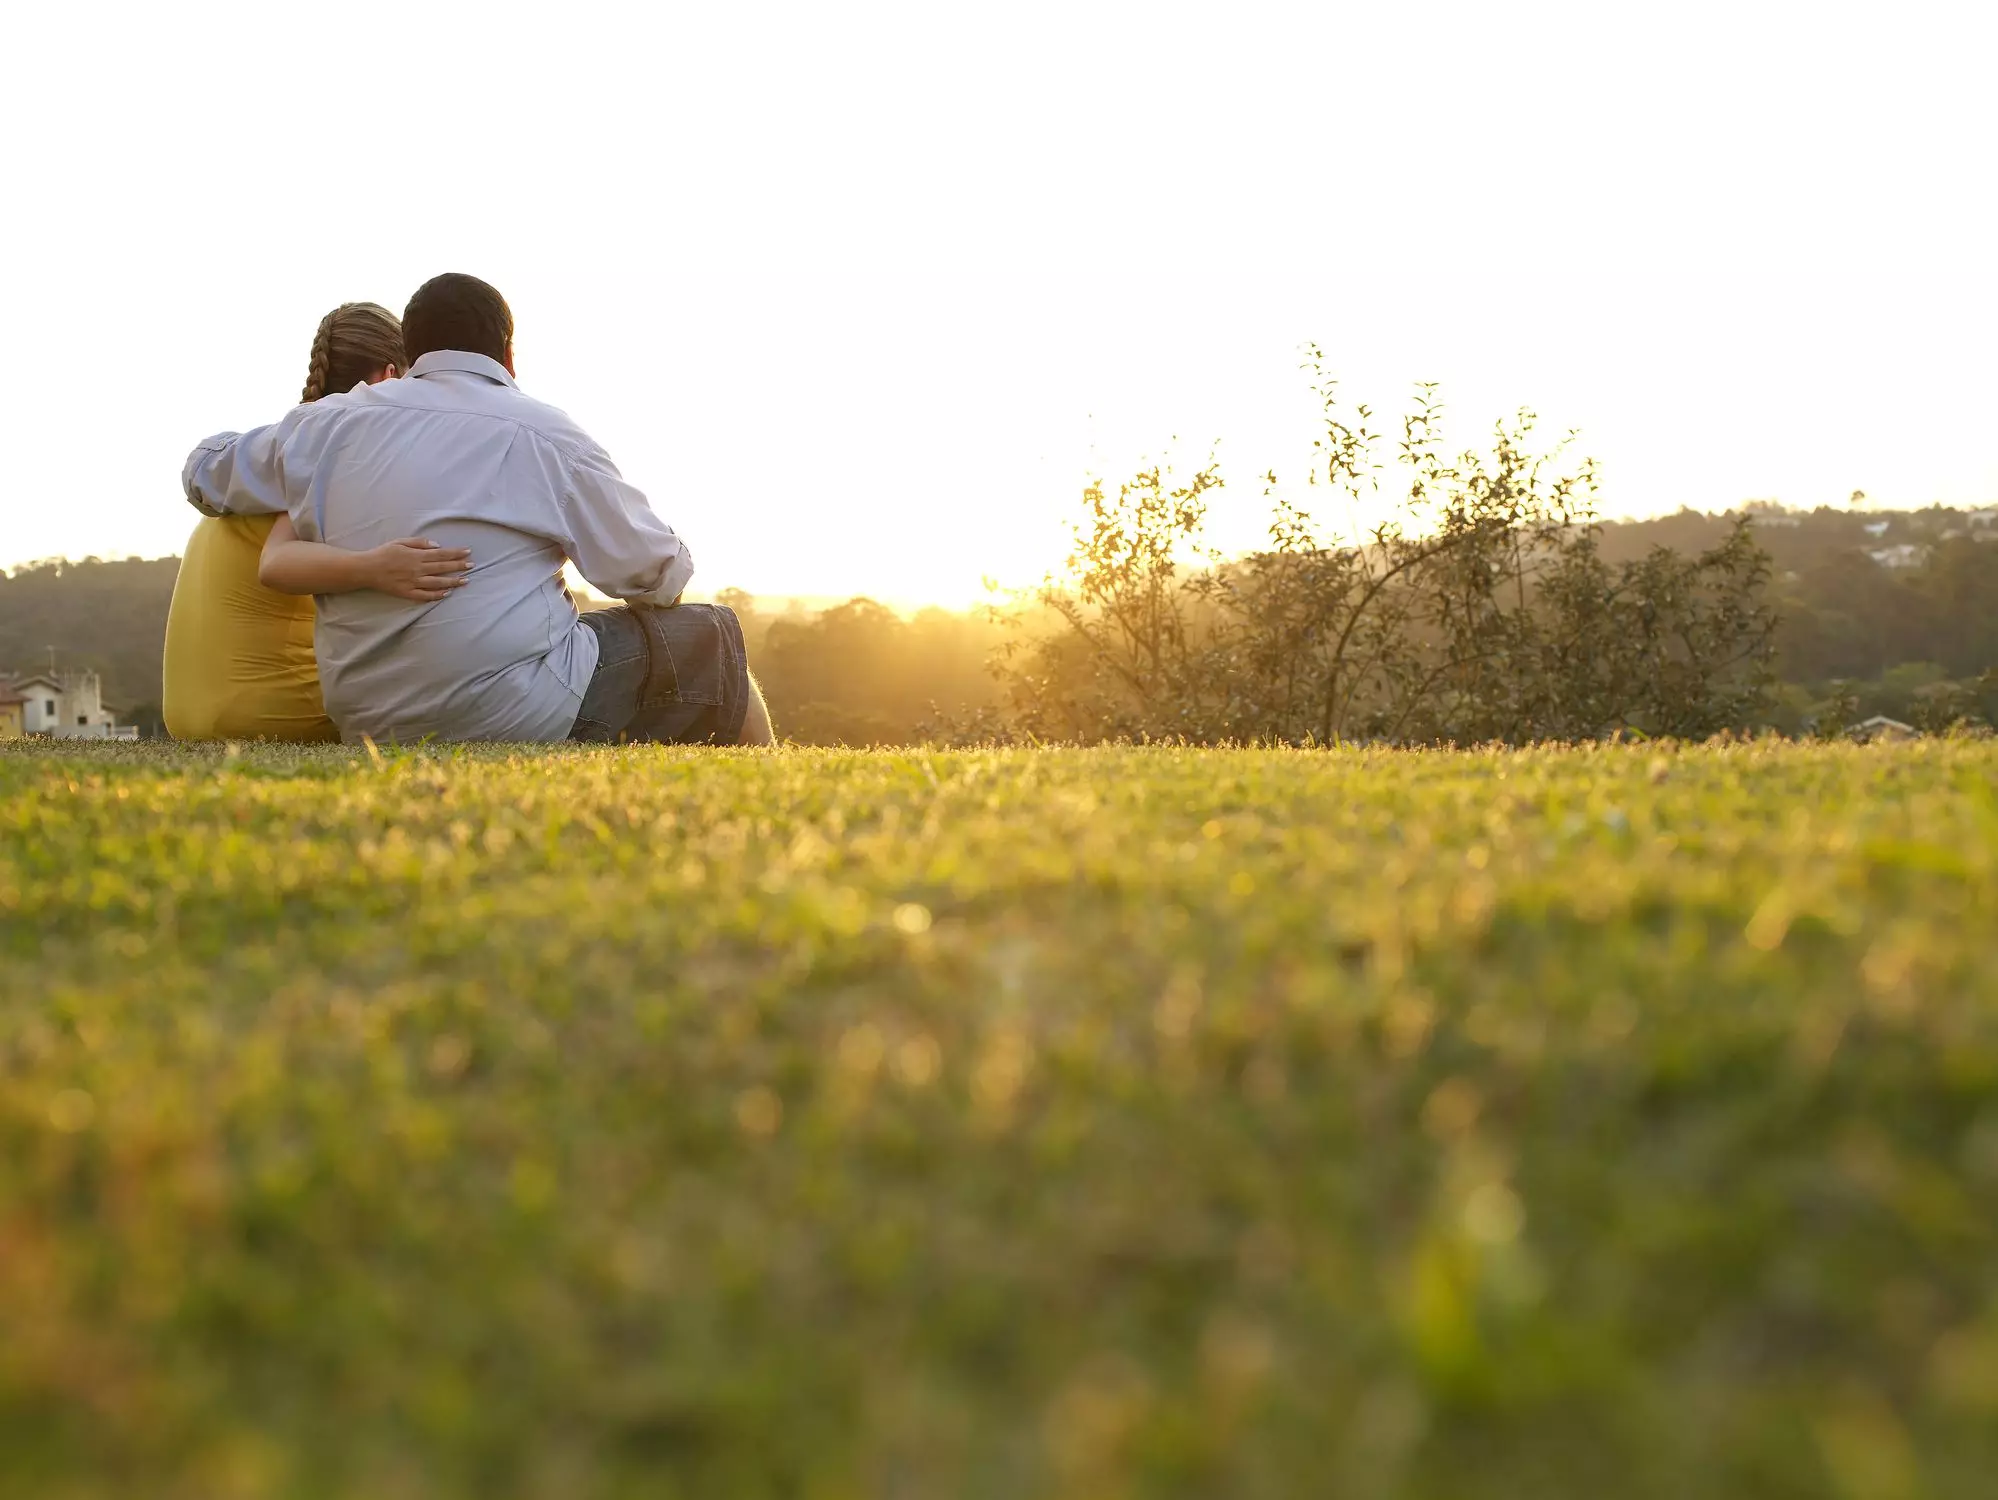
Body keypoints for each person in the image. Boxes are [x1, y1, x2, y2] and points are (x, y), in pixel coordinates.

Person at [181, 273, 773, 747]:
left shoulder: (328, 425)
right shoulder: (544, 432)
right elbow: (654, 576)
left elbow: (204, 471)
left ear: (410, 355)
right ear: (509, 354)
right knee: (713, 636)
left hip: (368, 720)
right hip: (508, 711)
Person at [162, 303, 469, 740]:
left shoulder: (276, 463)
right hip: (262, 713)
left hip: (190, 717)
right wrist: (376, 568)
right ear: (388, 377)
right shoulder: (326, 464)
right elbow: (275, 564)